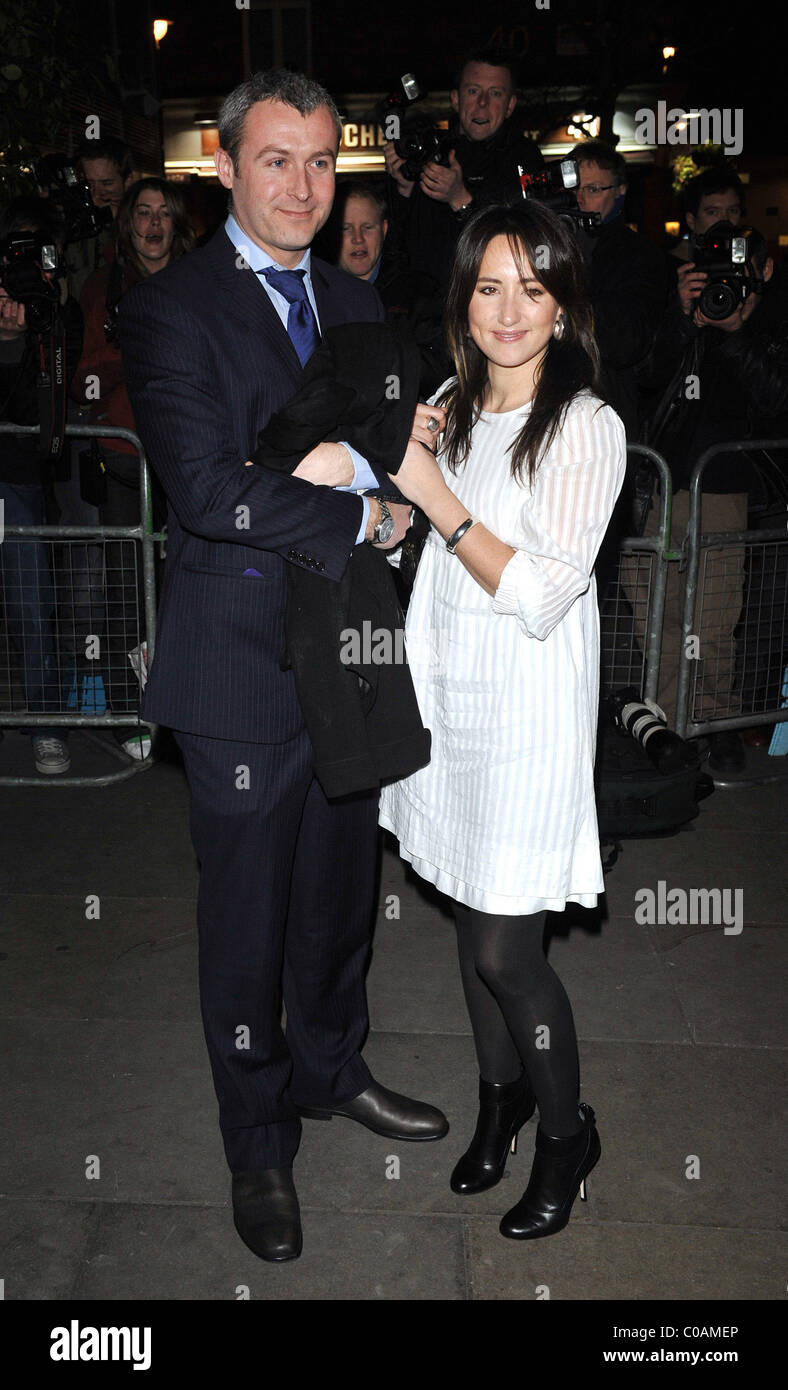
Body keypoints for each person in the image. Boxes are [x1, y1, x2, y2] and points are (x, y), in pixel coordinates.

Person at [119, 67, 448, 1265]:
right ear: (222, 163)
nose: (302, 186)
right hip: (239, 670)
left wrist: (387, 496)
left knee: (336, 895)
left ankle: (331, 1069)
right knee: (247, 923)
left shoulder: (357, 299)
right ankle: (257, 1141)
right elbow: (207, 489)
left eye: (320, 162)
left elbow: (394, 443)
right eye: (275, 159)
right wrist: (357, 509)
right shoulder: (170, 308)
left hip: (347, 648)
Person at [378, 200, 627, 1240]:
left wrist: (432, 497)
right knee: (465, 920)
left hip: (525, 724)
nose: (508, 308)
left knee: (503, 951)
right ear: (461, 302)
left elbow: (535, 591)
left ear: (564, 305)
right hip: (452, 712)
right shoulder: (449, 403)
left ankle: (565, 1131)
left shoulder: (585, 427)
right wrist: (394, 498)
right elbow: (416, 550)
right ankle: (500, 1101)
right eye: (488, 286)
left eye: (532, 286)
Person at [631, 225, 788, 771]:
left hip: (725, 488)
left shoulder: (771, 322)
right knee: (662, 614)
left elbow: (775, 397)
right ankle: (669, 725)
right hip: (661, 485)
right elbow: (644, 374)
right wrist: (683, 318)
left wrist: (736, 330)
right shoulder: (685, 311)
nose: (722, 290)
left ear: (763, 271)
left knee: (715, 620)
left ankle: (713, 721)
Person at [72, 178, 195, 759]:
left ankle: (178, 712)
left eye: (163, 215)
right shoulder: (104, 288)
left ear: (176, 224)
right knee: (126, 591)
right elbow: (84, 377)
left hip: (188, 461)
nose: (152, 225)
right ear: (128, 223)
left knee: (184, 589)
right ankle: (128, 713)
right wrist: (139, 351)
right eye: (142, 213)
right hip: (124, 462)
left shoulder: (197, 282)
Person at [0, 197, 83, 774]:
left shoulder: (59, 315)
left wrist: (23, 338)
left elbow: (42, 414)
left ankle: (46, 725)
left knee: (32, 605)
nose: (33, 269)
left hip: (19, 480)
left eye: (42, 255)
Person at [335, 180, 388, 281]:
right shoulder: (309, 292)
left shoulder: (418, 292)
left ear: (384, 230)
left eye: (367, 228)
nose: (358, 239)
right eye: (346, 229)